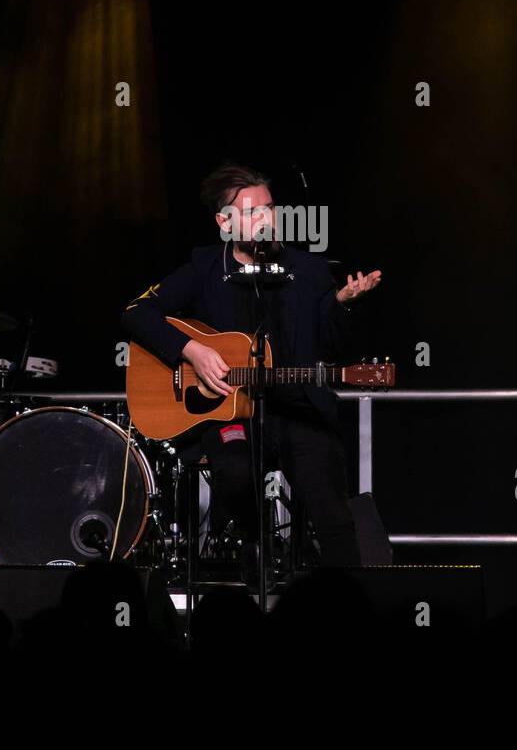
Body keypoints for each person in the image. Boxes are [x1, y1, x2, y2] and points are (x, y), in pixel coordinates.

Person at [121, 163, 381, 576]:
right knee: (236, 473)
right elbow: (137, 313)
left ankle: (350, 603)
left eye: (270, 208)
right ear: (225, 222)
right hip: (233, 412)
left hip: (299, 412)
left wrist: (345, 305)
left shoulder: (309, 272)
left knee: (330, 503)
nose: (266, 219)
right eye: (252, 211)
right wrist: (191, 351)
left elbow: (331, 347)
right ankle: (256, 544)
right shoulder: (205, 267)